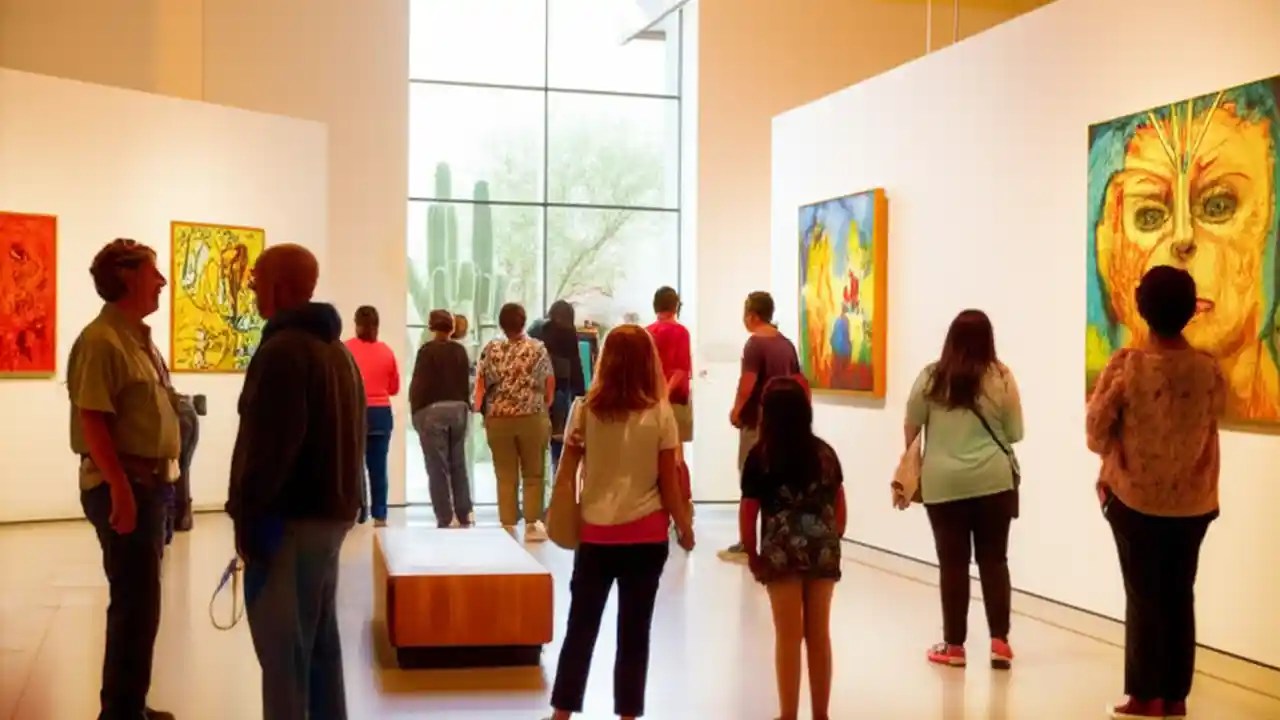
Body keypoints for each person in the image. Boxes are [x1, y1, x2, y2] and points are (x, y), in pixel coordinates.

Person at [227, 243, 365, 720]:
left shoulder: (283, 351)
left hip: (288, 520)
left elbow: (270, 447)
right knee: (320, 645)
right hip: (329, 517)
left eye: (256, 279)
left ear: (279, 287)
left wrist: (248, 520)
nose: (250, 288)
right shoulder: (339, 353)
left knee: (284, 654)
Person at [1087, 266, 1224, 720]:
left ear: (1143, 309)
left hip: (1135, 502)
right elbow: (1211, 423)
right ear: (1190, 311)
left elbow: (1095, 432)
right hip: (1194, 504)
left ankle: (1145, 698)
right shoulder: (1208, 369)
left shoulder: (1127, 365)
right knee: (1180, 596)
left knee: (1143, 597)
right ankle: (1175, 697)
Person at [543, 325, 695, 720]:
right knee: (634, 632)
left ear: (604, 361)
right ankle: (628, 715)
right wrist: (684, 526)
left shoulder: (585, 410)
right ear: (650, 363)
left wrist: (561, 512)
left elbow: (567, 472)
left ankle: (562, 713)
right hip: (646, 536)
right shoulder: (661, 414)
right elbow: (669, 479)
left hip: (595, 535)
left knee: (581, 627)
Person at [67, 238, 180, 720]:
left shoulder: (137, 337)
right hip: (125, 483)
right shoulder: (101, 340)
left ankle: (130, 703)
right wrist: (118, 487)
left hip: (147, 483)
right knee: (134, 604)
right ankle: (120, 712)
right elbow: (93, 418)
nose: (162, 281)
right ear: (128, 277)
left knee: (141, 604)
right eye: (154, 272)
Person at [904, 309, 1022, 670]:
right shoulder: (1002, 377)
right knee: (994, 559)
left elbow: (911, 426)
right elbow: (1015, 432)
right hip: (994, 482)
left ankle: (954, 646)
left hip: (945, 485)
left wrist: (917, 460)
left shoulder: (931, 377)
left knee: (952, 564)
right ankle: (999, 642)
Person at [741, 377, 845, 720]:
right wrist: (830, 539)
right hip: (822, 550)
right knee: (819, 634)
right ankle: (821, 715)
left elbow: (749, 510)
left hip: (781, 552)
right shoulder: (825, 453)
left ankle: (788, 715)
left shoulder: (761, 456)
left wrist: (753, 555)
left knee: (788, 635)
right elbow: (839, 505)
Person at [720, 291, 800, 561]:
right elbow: (799, 382)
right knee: (776, 483)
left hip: (757, 423)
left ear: (752, 315)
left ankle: (747, 544)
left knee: (750, 480)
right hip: (785, 425)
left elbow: (748, 383)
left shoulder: (755, 344)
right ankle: (772, 540)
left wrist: (736, 410)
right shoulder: (786, 345)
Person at [475, 302, 554, 540]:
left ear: (501, 324)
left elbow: (481, 384)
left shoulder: (491, 349)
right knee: (533, 473)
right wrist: (543, 405)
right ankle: (532, 524)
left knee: (505, 474)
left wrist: (482, 409)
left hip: (499, 419)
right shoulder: (537, 348)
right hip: (531, 416)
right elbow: (549, 382)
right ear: (524, 321)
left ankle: (507, 525)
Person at [410, 310, 474, 528]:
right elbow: (466, 384)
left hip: (432, 411)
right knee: (458, 464)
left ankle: (445, 516)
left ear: (431, 327)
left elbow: (418, 386)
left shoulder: (426, 352)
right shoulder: (460, 351)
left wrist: (416, 413)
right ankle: (464, 512)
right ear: (452, 328)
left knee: (437, 467)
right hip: (458, 409)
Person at [345, 305, 400, 527]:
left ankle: (356, 512)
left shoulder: (345, 349)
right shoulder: (386, 351)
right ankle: (380, 515)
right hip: (380, 414)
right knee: (378, 468)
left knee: (351, 467)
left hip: (354, 412)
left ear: (356, 324)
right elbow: (394, 388)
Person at [529, 300, 586, 473]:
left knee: (535, 440)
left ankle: (535, 476)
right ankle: (557, 477)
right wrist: (581, 394)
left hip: (535, 390)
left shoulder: (536, 329)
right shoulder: (568, 333)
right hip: (560, 389)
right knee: (558, 438)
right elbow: (575, 364)